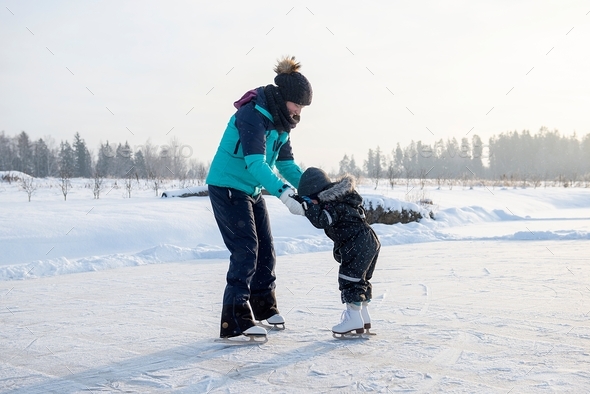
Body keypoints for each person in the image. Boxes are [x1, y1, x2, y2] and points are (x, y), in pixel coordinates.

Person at [206, 56, 312, 339]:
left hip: (250, 190)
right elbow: (255, 163)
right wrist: (284, 194)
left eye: (302, 107)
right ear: (284, 98)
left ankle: (263, 306)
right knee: (246, 250)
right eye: (297, 104)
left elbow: (286, 165)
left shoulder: (281, 123)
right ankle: (235, 318)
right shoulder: (252, 115)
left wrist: (313, 188)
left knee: (266, 248)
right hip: (227, 186)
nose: (299, 111)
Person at [296, 167, 380, 336]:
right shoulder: (341, 198)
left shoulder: (332, 204)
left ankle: (353, 320)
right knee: (360, 280)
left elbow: (322, 220)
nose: (310, 203)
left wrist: (307, 208)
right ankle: (364, 316)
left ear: (317, 193)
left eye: (309, 199)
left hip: (357, 243)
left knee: (350, 280)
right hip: (369, 240)